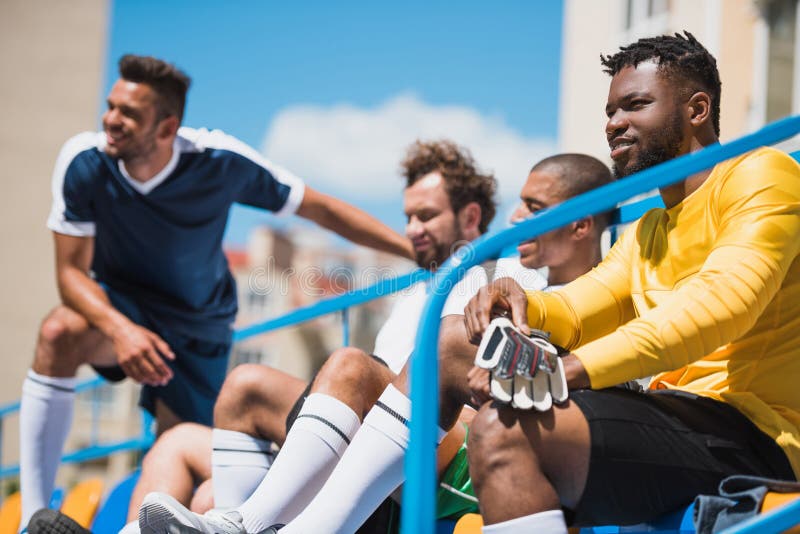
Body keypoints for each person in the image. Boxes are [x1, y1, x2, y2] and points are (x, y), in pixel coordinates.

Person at [19, 53, 414, 531]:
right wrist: (121, 330)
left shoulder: (220, 162)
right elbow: (71, 276)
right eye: (111, 105)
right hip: (122, 308)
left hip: (198, 327)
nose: (111, 120)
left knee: (175, 448)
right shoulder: (83, 163)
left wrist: (412, 249)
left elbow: (321, 209)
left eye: (129, 114)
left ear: (166, 128)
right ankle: (30, 518)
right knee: (59, 330)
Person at [134, 152, 612, 534]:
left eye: (425, 215)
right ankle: (233, 524)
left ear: (580, 223)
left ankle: (249, 523)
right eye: (407, 216)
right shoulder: (439, 289)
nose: (410, 229)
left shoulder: (528, 278)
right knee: (245, 384)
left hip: (465, 439)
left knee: (352, 366)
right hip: (394, 421)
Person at [462, 32, 800, 533]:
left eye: (635, 105)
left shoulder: (761, 173)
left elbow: (724, 304)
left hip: (756, 435)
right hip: (676, 418)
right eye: (610, 111)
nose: (613, 124)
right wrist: (521, 304)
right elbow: (579, 308)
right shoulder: (648, 230)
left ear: (698, 109)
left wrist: (569, 369)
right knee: (450, 342)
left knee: (504, 432)